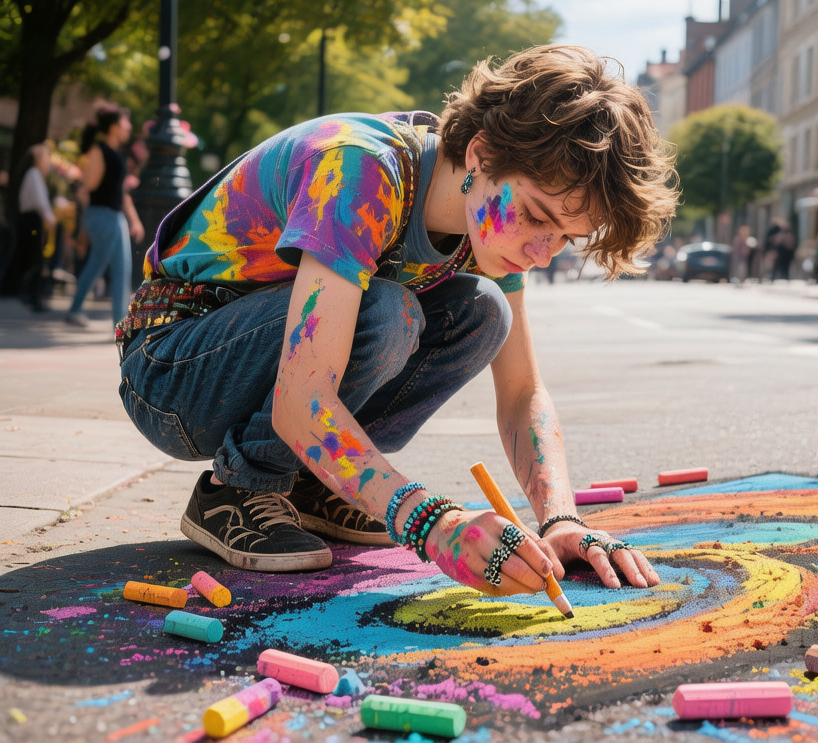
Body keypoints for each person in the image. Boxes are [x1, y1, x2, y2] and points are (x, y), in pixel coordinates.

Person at [117, 46, 676, 597]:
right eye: (535, 217)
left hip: (239, 364)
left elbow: (523, 388)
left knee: (482, 310)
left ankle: (312, 486)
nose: (541, 251)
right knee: (388, 311)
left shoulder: (486, 226)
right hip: (171, 368)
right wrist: (431, 522)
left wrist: (561, 521)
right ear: (480, 154)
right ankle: (237, 488)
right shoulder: (359, 171)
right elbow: (300, 398)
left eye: (565, 238)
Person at [67, 104, 145, 328]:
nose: (129, 127)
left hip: (115, 216)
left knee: (113, 267)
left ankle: (118, 323)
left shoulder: (118, 155)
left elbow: (121, 192)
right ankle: (117, 323)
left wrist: (135, 220)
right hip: (101, 215)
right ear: (113, 127)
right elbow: (89, 185)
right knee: (107, 267)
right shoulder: (98, 150)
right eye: (125, 122)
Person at [12, 144, 57, 312]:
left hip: (30, 219)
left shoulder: (33, 174)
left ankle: (29, 294)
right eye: (47, 159)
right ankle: (32, 295)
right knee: (35, 258)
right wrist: (50, 218)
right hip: (32, 220)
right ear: (39, 159)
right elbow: (40, 201)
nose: (49, 164)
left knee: (31, 256)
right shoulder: (34, 174)